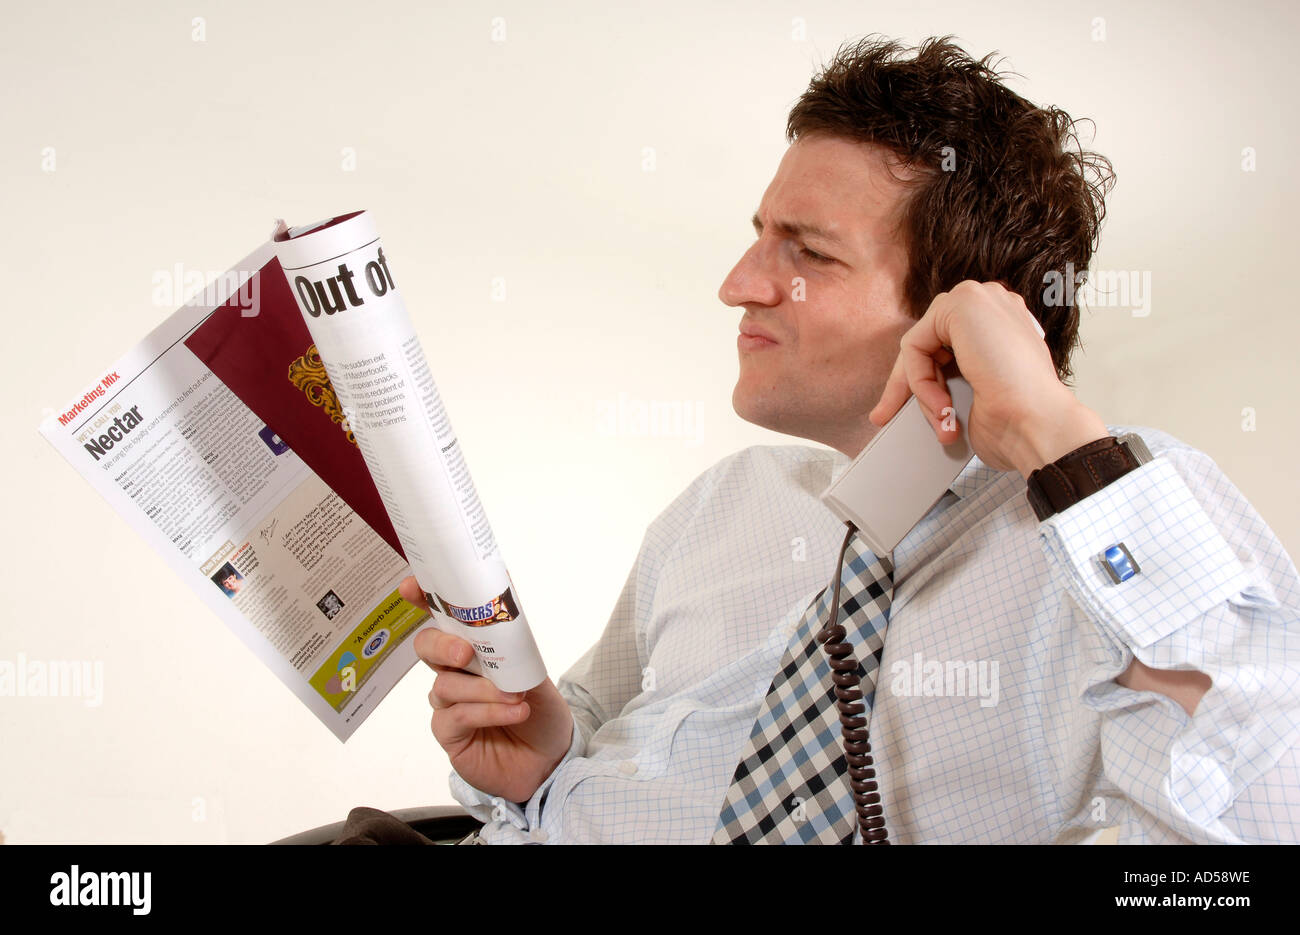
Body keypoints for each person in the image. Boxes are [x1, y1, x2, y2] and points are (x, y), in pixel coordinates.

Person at [399, 35, 1300, 843]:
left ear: (968, 310)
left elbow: (1261, 831)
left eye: (808, 253)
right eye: (759, 237)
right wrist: (546, 753)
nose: (740, 284)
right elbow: (603, 718)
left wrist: (1058, 437)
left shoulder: (1121, 513)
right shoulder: (727, 501)